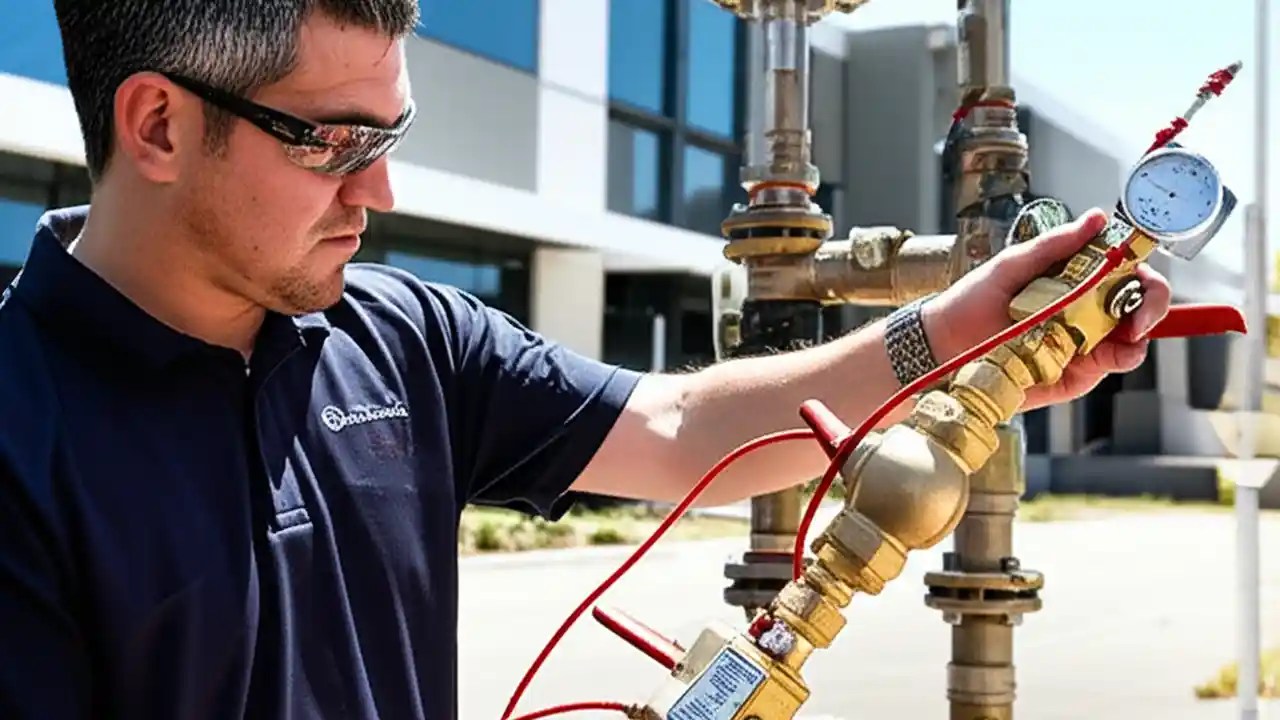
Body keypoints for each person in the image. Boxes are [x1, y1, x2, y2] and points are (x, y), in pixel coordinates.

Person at [0, 1, 1170, 719]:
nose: (381, 191)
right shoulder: (18, 426)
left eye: (390, 135)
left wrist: (955, 331)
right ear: (155, 124)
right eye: (333, 143)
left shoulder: (404, 338)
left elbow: (677, 435)